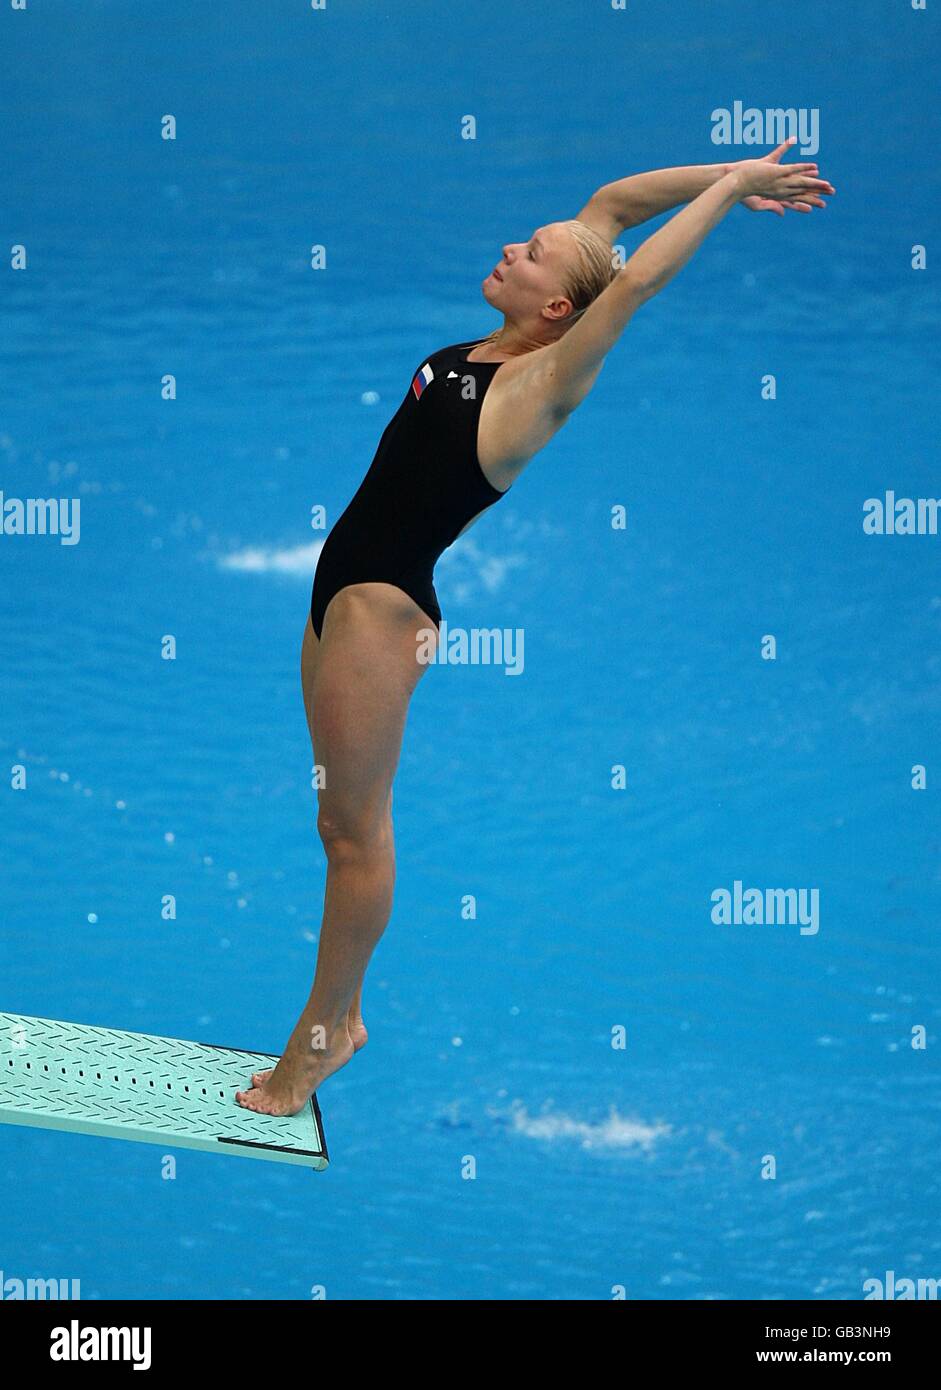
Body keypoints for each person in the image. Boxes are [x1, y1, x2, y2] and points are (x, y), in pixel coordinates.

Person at [236, 138, 833, 1116]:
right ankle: (330, 1026)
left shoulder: (538, 385)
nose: (514, 246)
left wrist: (727, 194)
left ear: (556, 308)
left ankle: (324, 1038)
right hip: (338, 590)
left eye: (533, 253)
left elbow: (631, 282)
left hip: (378, 614)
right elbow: (610, 204)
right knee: (333, 820)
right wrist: (736, 170)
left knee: (354, 835)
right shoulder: (504, 338)